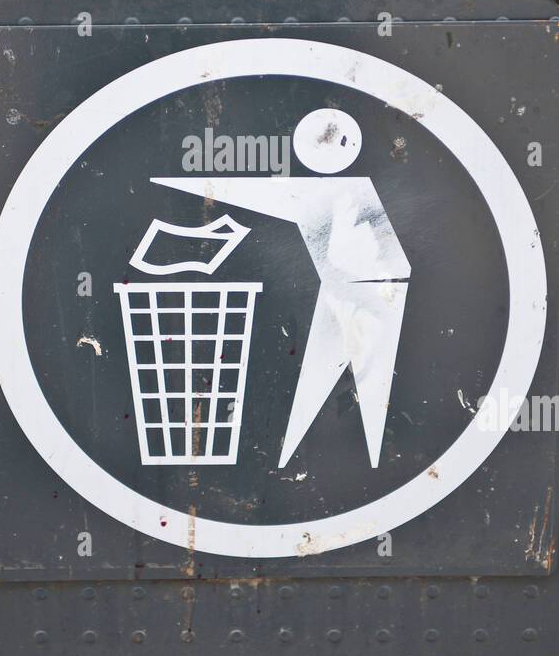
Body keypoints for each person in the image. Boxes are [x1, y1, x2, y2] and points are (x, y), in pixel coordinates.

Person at [153, 108, 410, 468]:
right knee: (342, 394)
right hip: (363, 288)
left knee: (359, 393)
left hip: (368, 291)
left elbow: (279, 195)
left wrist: (187, 183)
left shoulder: (342, 193)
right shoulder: (346, 192)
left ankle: (341, 459)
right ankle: (316, 458)